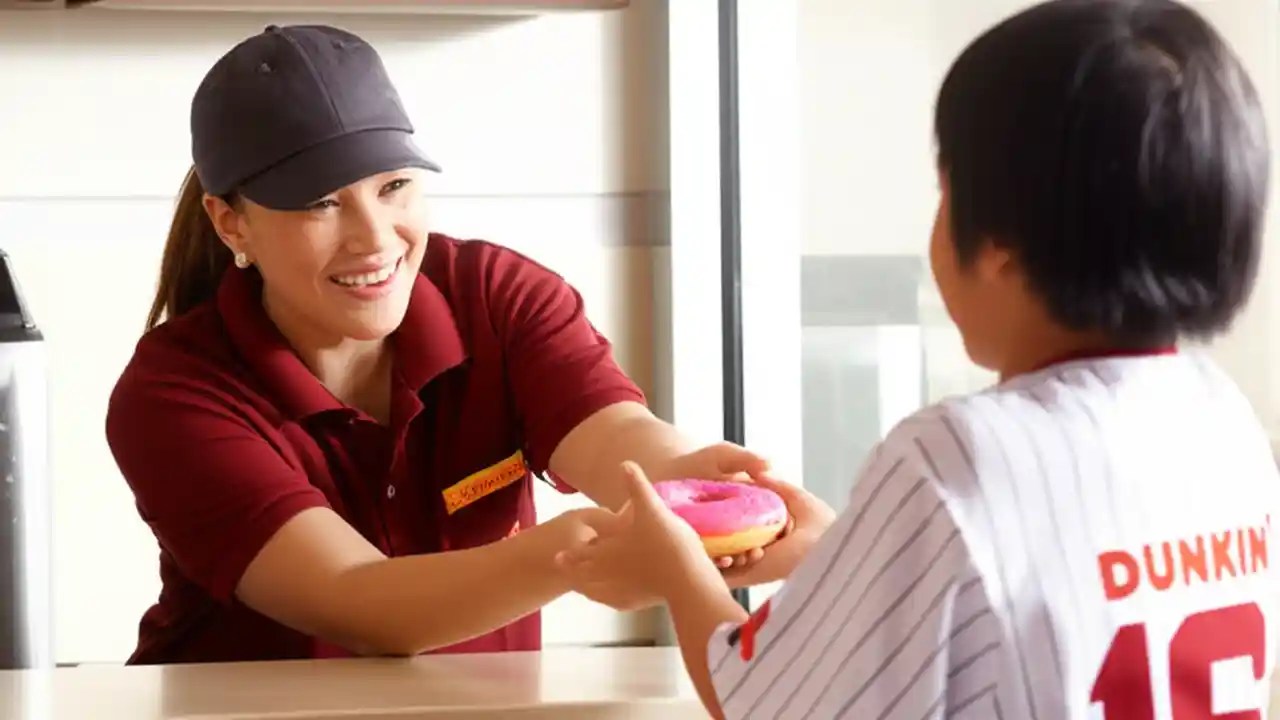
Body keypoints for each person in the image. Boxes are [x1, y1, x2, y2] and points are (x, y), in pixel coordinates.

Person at [555, 0, 1280, 718]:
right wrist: (844, 557)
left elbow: (765, 702)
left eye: (946, 190)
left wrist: (678, 571)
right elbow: (1039, 605)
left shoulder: (956, 455)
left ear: (1001, 243)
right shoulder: (1223, 424)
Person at [104, 23, 779, 665]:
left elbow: (615, 436)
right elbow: (355, 601)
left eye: (393, 185)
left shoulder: (496, 296)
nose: (374, 237)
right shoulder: (172, 395)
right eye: (321, 203)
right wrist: (575, 552)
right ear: (231, 224)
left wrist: (712, 491)